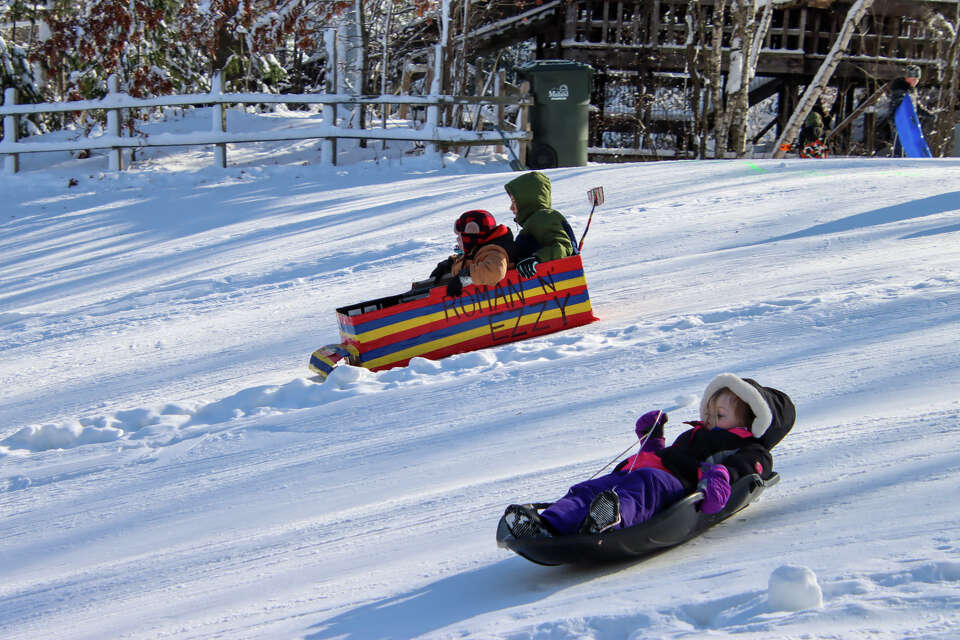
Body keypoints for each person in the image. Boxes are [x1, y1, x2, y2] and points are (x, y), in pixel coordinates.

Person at [503, 373, 796, 539]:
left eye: (719, 414)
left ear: (750, 421)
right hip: (642, 471)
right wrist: (651, 440)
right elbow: (662, 456)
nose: (709, 418)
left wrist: (721, 478)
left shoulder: (749, 448)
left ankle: (612, 520)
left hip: (679, 484)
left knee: (642, 488)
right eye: (708, 411)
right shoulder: (693, 434)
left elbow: (747, 469)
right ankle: (549, 524)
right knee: (590, 489)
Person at [503, 171, 577, 279]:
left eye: (514, 202)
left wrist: (537, 259)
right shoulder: (535, 220)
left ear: (527, 200)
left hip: (552, 285)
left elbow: (563, 247)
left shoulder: (542, 217)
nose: (511, 208)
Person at [425, 209, 515, 297]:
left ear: (471, 236)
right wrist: (450, 264)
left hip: (498, 298)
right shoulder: (479, 248)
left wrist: (464, 278)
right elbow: (469, 260)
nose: (457, 240)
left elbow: (495, 271)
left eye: (460, 236)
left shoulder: (493, 251)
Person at [886, 64, 932, 157]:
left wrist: (928, 114)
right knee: (899, 143)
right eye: (913, 79)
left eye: (917, 79)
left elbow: (915, 106)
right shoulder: (900, 89)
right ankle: (897, 161)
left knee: (908, 144)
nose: (916, 82)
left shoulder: (911, 90)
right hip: (900, 122)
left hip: (909, 121)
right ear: (907, 78)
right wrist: (892, 119)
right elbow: (896, 107)